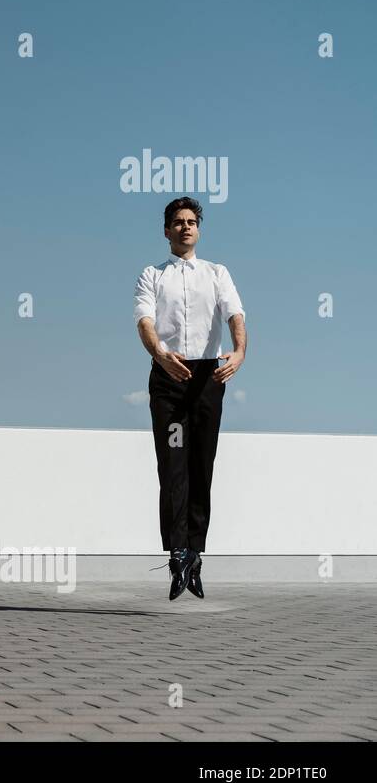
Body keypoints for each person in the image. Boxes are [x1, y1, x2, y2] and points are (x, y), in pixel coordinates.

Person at [132, 197, 248, 600]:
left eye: (192, 221)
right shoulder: (151, 274)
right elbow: (144, 321)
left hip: (206, 378)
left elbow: (235, 314)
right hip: (168, 378)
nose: (185, 227)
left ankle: (195, 552)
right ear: (166, 230)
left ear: (199, 229)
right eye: (178, 222)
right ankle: (177, 552)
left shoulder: (217, 273)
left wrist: (238, 352)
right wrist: (161, 355)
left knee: (201, 466)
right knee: (172, 466)